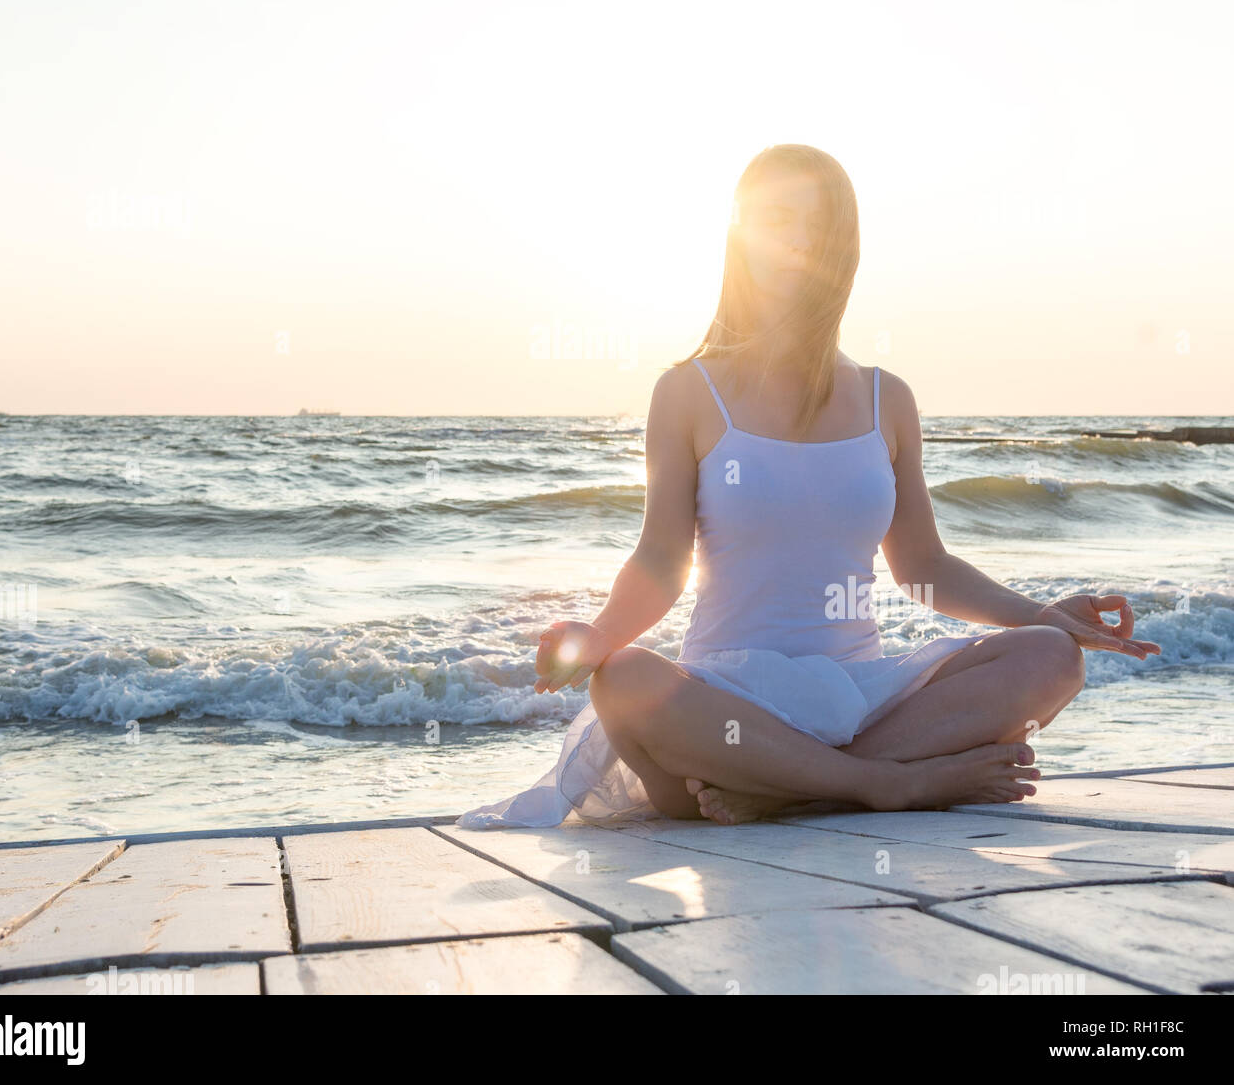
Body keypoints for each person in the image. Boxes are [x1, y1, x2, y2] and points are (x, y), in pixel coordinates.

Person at [457, 144, 1159, 829]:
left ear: (842, 247)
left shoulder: (889, 399)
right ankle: (884, 783)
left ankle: (795, 790)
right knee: (626, 679)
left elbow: (924, 568)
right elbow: (660, 560)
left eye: (816, 224)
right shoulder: (688, 392)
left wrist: (1040, 613)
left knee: (1051, 657)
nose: (796, 242)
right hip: (724, 706)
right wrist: (600, 635)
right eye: (776, 220)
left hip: (859, 698)